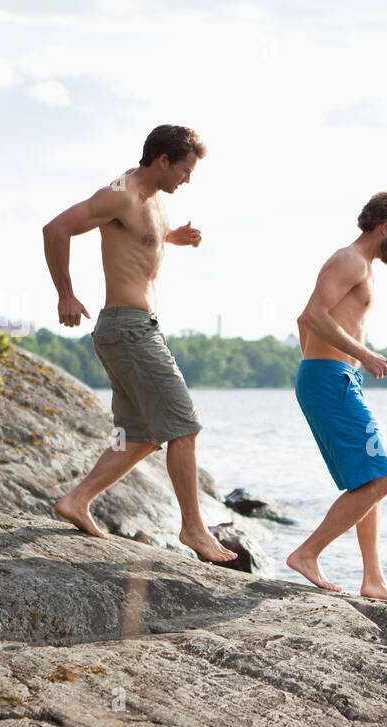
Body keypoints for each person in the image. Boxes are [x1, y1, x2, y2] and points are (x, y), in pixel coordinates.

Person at [42, 124, 236, 563]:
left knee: (143, 436)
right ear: (163, 160)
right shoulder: (120, 194)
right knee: (183, 426)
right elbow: (55, 229)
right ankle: (194, 529)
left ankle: (76, 501)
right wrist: (66, 293)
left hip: (136, 327)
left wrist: (173, 238)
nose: (187, 179)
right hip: (128, 328)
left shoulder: (154, 201)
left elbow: (136, 235)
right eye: (185, 170)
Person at [287, 189, 387, 599]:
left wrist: (323, 364)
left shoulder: (360, 264)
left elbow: (303, 321)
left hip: (333, 376)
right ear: (385, 226)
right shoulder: (350, 260)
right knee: (382, 479)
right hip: (332, 378)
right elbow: (313, 315)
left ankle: (373, 579)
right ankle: (307, 553)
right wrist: (357, 357)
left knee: (369, 479)